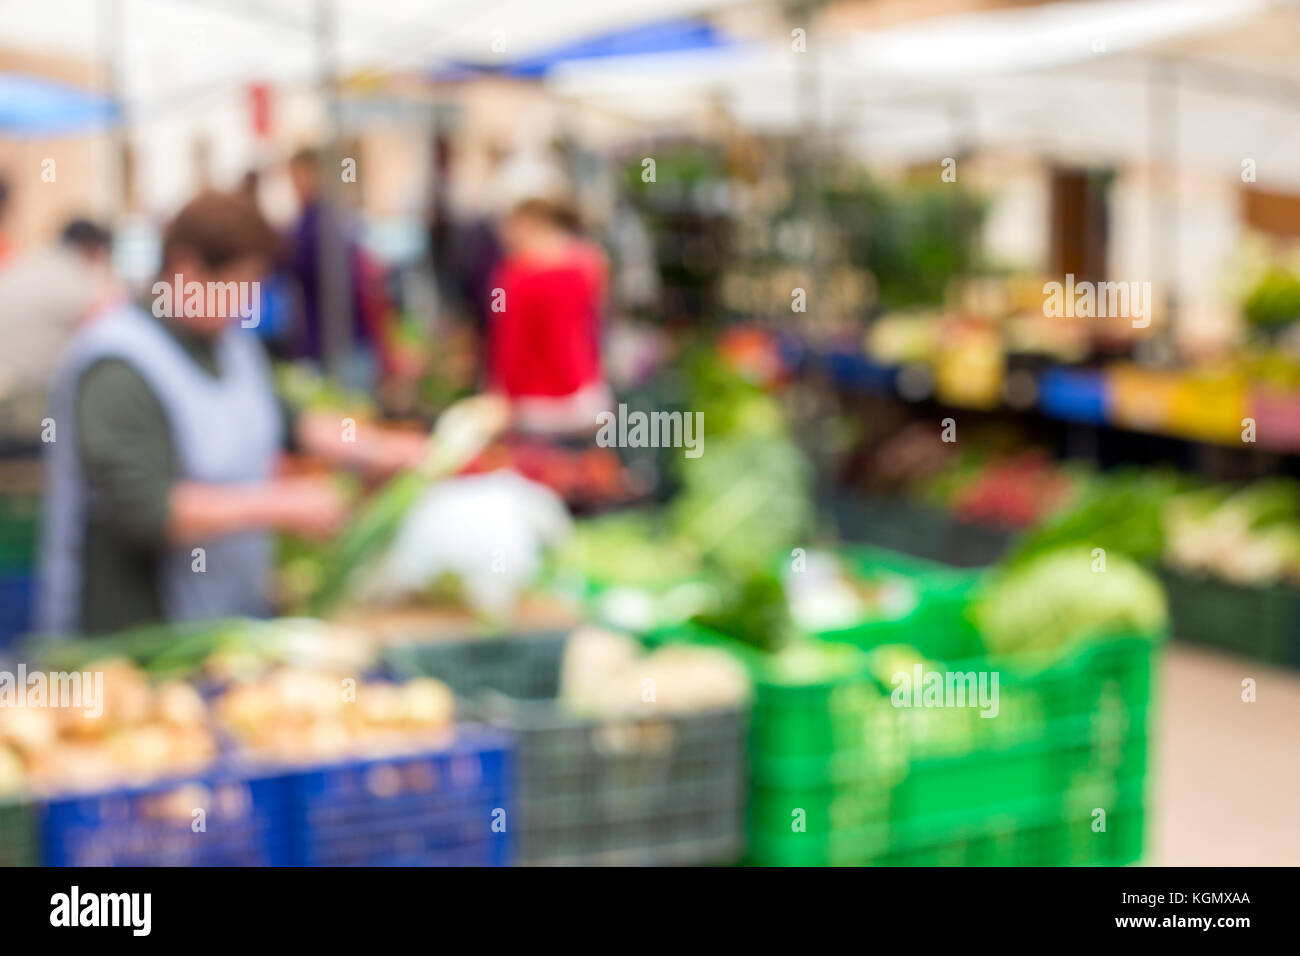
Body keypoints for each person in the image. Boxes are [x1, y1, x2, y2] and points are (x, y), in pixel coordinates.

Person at [38, 189, 428, 636]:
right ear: (187, 270)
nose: (247, 304)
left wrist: (381, 450)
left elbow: (289, 423)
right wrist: (281, 505)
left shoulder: (231, 346)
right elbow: (144, 510)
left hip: (222, 628)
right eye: (240, 286)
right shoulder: (117, 363)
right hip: (135, 642)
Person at [283, 147, 413, 387]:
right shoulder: (313, 223)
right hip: (328, 340)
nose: (295, 185)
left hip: (340, 341)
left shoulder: (325, 223)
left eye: (298, 177)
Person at [488, 197, 612, 434]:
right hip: (584, 393)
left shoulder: (512, 274)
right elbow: (596, 326)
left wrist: (500, 392)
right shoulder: (590, 264)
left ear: (526, 223)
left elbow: (506, 339)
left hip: (534, 403)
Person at [0, 218, 120, 444]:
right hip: (27, 408)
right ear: (93, 248)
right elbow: (112, 329)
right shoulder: (79, 280)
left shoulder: (23, 264)